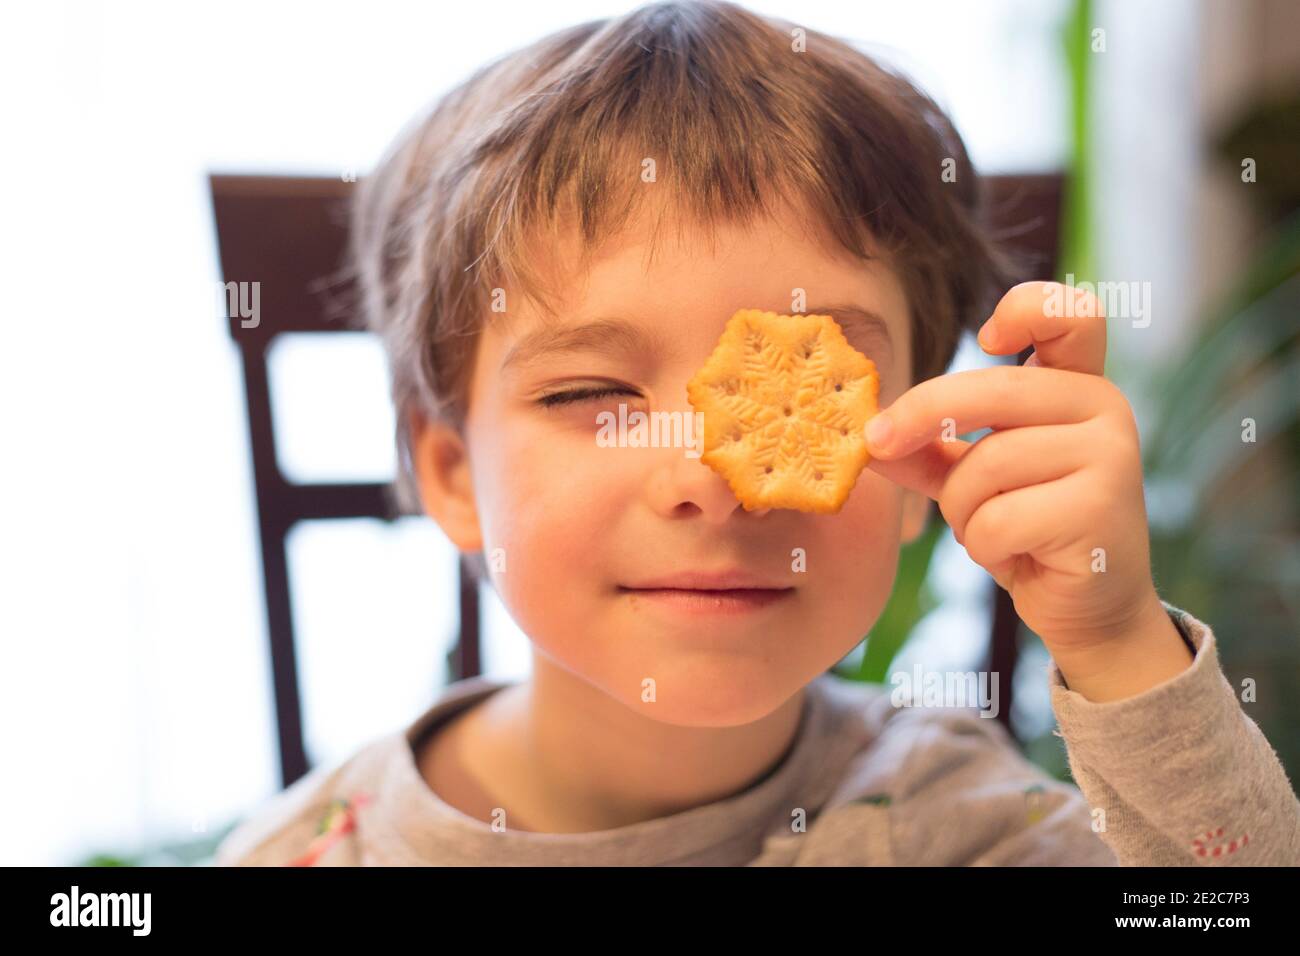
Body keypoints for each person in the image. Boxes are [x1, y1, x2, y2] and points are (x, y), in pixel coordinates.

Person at [216, 0, 1300, 866]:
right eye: (595, 393)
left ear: (921, 456)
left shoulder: (970, 828)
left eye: (802, 396)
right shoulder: (310, 852)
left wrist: (1114, 645)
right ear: (451, 472)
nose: (715, 478)